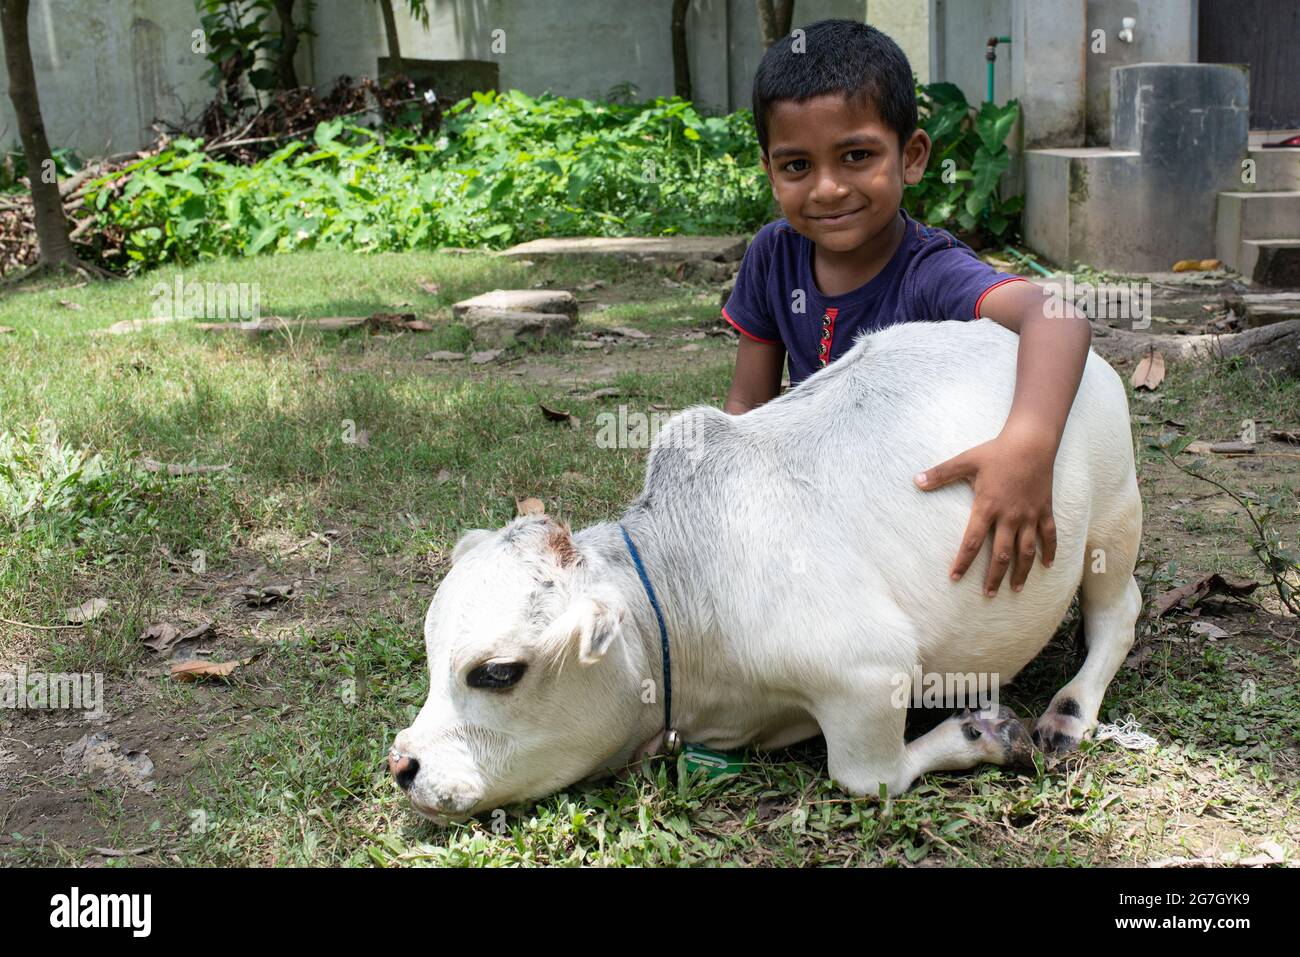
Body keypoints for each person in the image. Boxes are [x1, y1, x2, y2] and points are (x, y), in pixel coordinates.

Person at [722, 19, 1091, 599]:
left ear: (912, 157)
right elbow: (749, 402)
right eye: (797, 166)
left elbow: (1059, 317)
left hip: (908, 499)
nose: (827, 188)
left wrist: (1027, 447)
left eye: (856, 155)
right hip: (815, 492)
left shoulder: (931, 271)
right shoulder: (773, 255)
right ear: (770, 171)